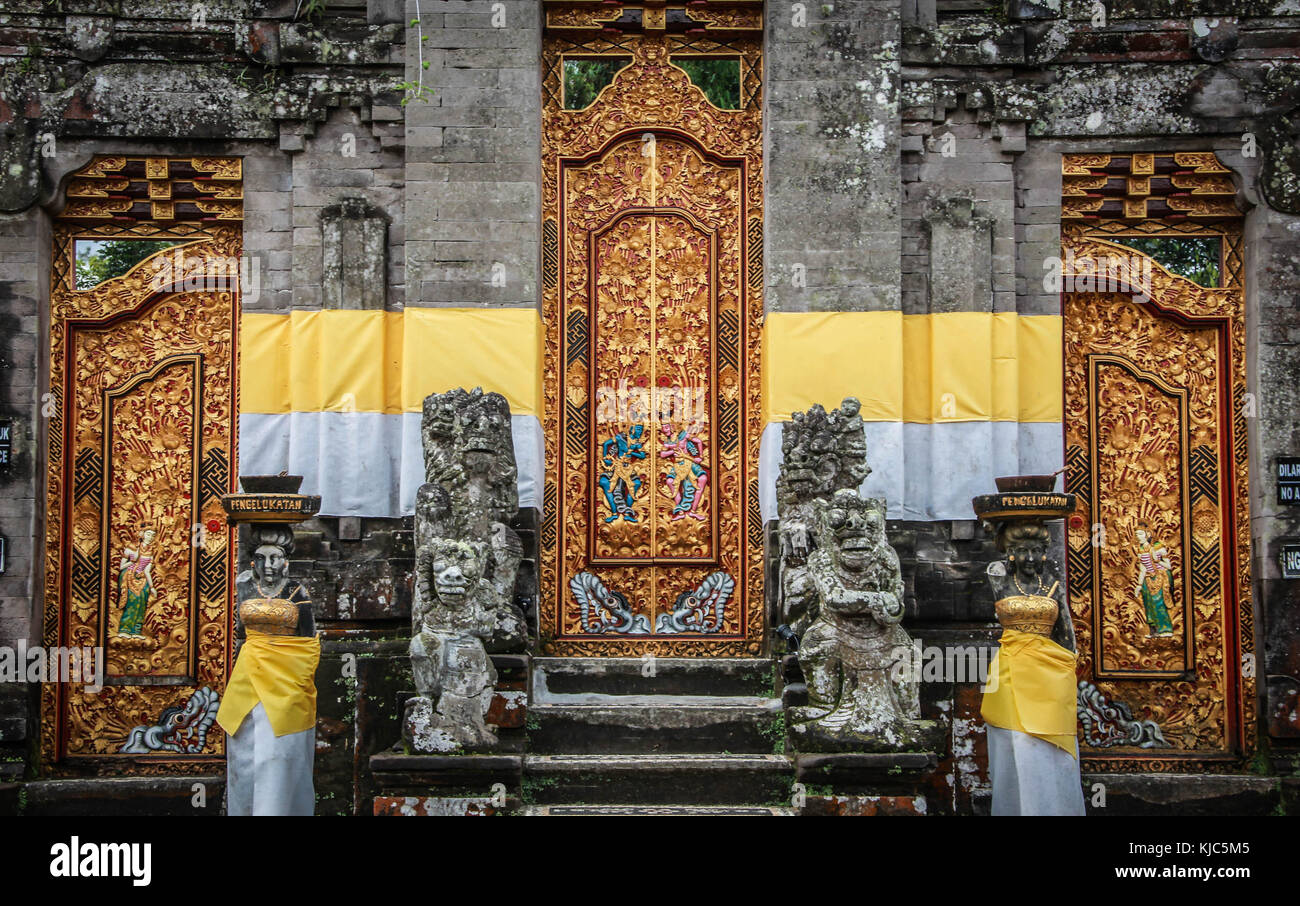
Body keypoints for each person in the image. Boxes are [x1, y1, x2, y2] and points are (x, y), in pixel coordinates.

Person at [981, 522, 1085, 816]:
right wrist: (995, 527)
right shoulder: (998, 578)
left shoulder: (1052, 586)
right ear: (1011, 554)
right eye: (1022, 551)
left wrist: (1067, 673)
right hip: (1011, 670)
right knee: (1016, 744)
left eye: (1036, 551)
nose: (1029, 558)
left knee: (1050, 750)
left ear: (1043, 555)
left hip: (1051, 675)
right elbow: (994, 563)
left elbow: (1067, 637)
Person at [216, 527, 319, 816]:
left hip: (287, 679)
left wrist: (298, 685)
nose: (269, 566)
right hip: (248, 675)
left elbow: (309, 641)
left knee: (279, 752)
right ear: (253, 562)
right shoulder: (245, 588)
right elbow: (239, 635)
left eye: (275, 558)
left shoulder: (297, 592)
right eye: (261, 559)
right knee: (245, 752)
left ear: (286, 561)